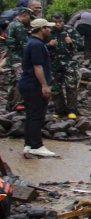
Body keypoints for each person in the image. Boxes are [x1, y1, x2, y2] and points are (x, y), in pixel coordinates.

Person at [18, 18, 55, 157]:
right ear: (41, 29)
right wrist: (44, 86)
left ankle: (29, 144)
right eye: (48, 28)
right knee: (37, 115)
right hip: (33, 84)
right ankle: (36, 145)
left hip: (28, 84)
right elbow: (37, 66)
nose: (50, 30)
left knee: (31, 115)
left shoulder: (33, 43)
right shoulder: (36, 45)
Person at [48, 14, 82, 119]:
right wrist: (49, 45)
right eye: (55, 22)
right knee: (55, 88)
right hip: (53, 63)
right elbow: (41, 46)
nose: (58, 24)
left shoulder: (70, 31)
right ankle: (59, 110)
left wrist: (72, 42)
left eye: (60, 22)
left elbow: (80, 44)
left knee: (71, 86)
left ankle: (72, 110)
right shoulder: (48, 32)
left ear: (63, 21)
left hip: (69, 63)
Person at [5, 7, 31, 111]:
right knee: (21, 79)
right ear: (24, 15)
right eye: (29, 17)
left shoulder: (11, 24)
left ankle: (9, 104)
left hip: (11, 57)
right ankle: (18, 103)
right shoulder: (19, 25)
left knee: (12, 81)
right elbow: (25, 44)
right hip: (18, 57)